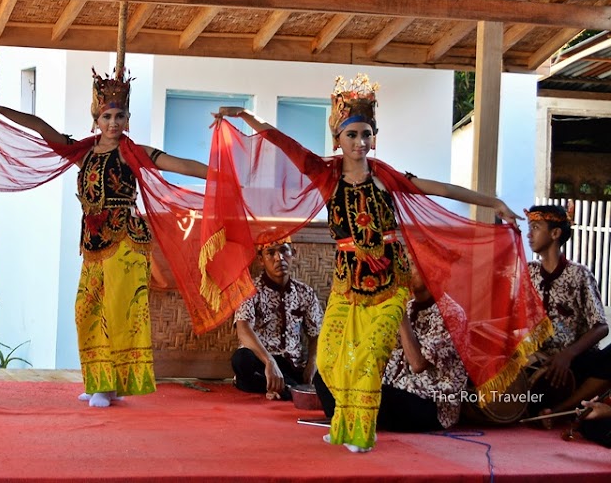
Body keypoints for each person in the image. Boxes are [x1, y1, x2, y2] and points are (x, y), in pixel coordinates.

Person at [214, 73, 545, 453]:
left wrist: (492, 202)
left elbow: (438, 188)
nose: (360, 142)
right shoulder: (327, 175)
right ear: (337, 138)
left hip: (389, 287)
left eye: (366, 134)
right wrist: (247, 117)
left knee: (370, 359)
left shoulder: (385, 177)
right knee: (333, 360)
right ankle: (342, 424)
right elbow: (284, 143)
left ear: (374, 137)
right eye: (352, 134)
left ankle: (361, 433)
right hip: (345, 286)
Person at [0, 65, 210, 408]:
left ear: (127, 119)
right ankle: (99, 379)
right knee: (87, 309)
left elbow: (179, 165)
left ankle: (111, 386)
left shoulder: (132, 152)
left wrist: (217, 175)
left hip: (127, 242)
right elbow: (42, 129)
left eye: (120, 115)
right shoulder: (83, 153)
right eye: (107, 115)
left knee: (118, 312)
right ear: (96, 118)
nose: (113, 122)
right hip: (94, 245)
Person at [312, 269, 468, 433]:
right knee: (324, 378)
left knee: (367, 395)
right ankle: (353, 418)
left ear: (434, 272)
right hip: (395, 390)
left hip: (429, 404)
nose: (405, 272)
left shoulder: (452, 314)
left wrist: (399, 313)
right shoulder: (408, 306)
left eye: (412, 265)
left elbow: (417, 363)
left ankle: (353, 417)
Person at [523, 205, 611, 419]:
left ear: (555, 233)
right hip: (535, 361)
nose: (529, 234)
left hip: (574, 363)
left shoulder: (579, 275)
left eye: (535, 227)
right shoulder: (527, 271)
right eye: (529, 227)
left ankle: (558, 412)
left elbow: (601, 326)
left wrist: (567, 354)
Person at [232, 235, 323, 400]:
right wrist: (269, 362)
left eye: (283, 251)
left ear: (293, 254)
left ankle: (281, 388)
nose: (279, 258)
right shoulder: (249, 291)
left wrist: (312, 362)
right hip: (262, 362)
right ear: (261, 260)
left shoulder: (305, 293)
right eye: (271, 253)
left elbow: (317, 333)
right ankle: (290, 390)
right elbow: (243, 329)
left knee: (326, 370)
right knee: (241, 359)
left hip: (293, 366)